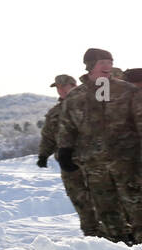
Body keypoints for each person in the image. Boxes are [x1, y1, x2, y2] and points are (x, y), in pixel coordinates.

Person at [57, 48, 142, 244]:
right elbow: (67, 127)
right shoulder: (76, 97)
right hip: (95, 167)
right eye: (103, 62)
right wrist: (65, 151)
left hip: (129, 164)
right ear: (90, 65)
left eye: (110, 62)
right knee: (107, 211)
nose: (108, 66)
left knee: (141, 209)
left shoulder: (129, 91)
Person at [36, 73, 99, 236]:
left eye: (64, 86)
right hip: (69, 165)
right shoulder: (55, 112)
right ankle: (91, 234)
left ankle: (116, 232)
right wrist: (43, 155)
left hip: (94, 161)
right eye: (58, 87)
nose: (61, 90)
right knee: (79, 200)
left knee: (104, 198)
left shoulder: (90, 103)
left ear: (73, 85)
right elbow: (49, 136)